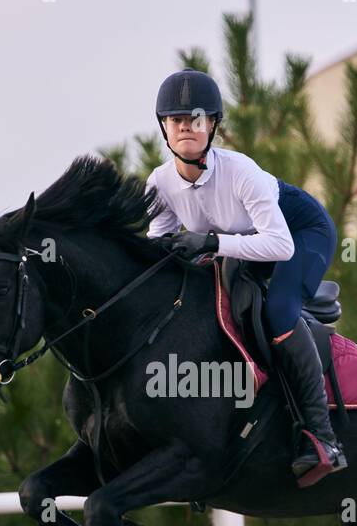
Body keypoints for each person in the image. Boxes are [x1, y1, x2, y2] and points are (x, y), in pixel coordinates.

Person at [145, 68, 346, 487]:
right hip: (242, 245)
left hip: (299, 234)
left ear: (213, 125)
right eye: (176, 119)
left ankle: (322, 438)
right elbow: (156, 250)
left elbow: (280, 246)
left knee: (278, 310)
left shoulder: (241, 172)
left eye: (196, 118)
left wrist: (212, 243)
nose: (186, 126)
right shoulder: (160, 183)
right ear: (164, 128)